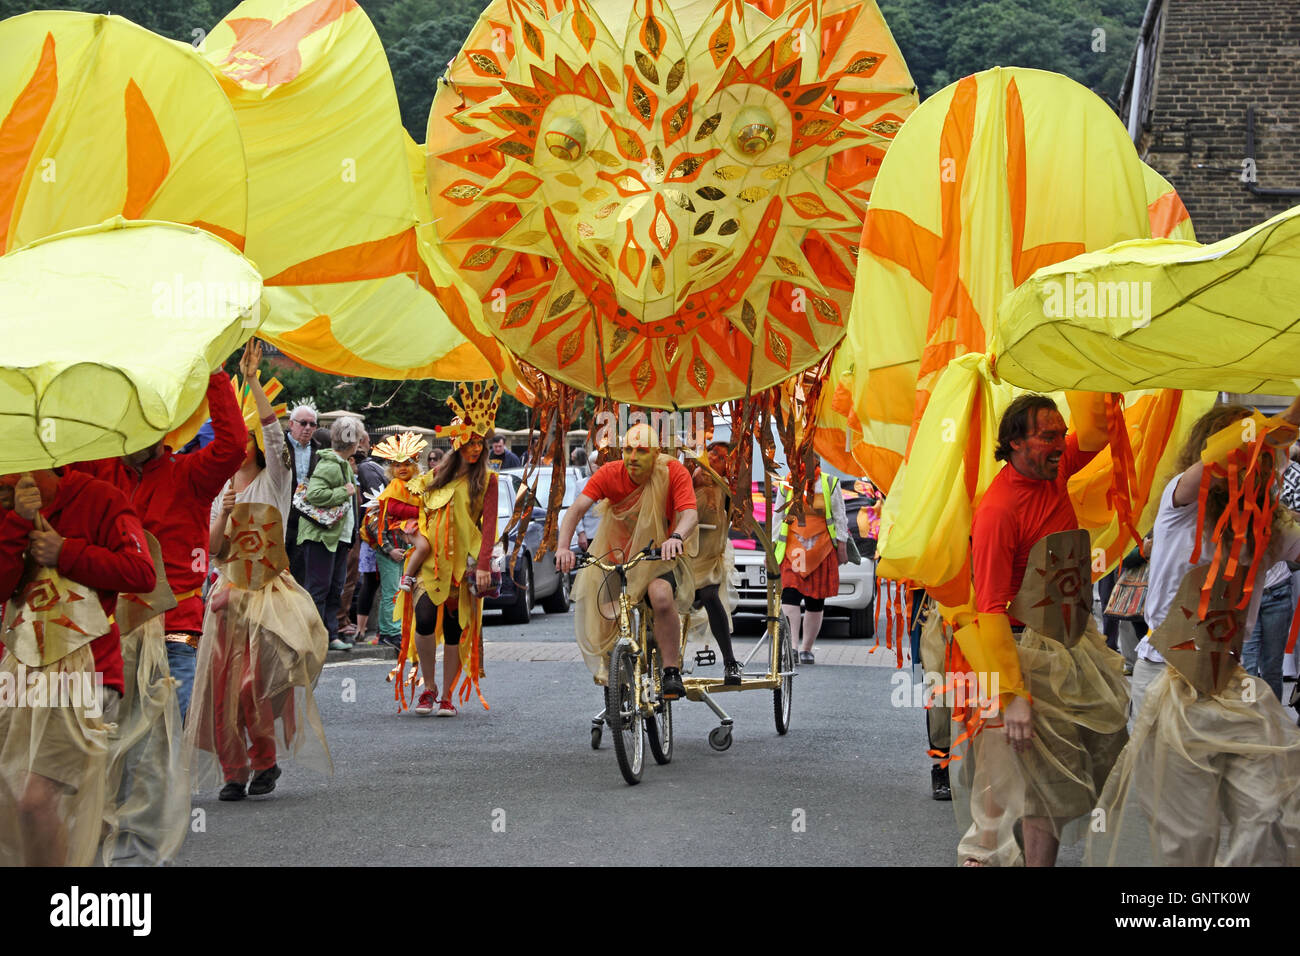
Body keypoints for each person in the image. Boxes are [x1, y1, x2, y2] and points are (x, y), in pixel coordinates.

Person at [1089, 401, 1300, 866]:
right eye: (1242, 450)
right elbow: (1221, 458)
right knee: (1186, 837)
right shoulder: (1180, 504)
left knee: (1273, 809)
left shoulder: (1267, 524)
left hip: (1231, 683)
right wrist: (1290, 416)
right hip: (1167, 679)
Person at [960, 393, 1129, 867]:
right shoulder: (998, 510)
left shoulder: (1053, 470)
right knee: (1029, 783)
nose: (1060, 445)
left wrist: (1088, 351)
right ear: (1015, 443)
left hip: (1067, 644)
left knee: (1053, 776)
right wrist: (1013, 695)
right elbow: (990, 607)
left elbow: (1096, 430)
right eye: (1048, 436)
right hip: (1019, 652)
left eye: (1060, 434)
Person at [186, 345, 332, 802]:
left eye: (241, 434)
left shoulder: (276, 479)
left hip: (270, 592)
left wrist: (250, 379)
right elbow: (214, 550)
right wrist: (221, 515)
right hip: (228, 598)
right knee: (221, 690)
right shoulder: (219, 490)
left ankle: (264, 760)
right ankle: (235, 772)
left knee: (254, 685)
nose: (235, 442)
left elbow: (274, 434)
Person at [0, 469, 156, 866]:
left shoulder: (100, 497)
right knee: (19, 804)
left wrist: (65, 551)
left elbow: (141, 573)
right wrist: (16, 523)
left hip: (88, 672)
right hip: (18, 673)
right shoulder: (6, 505)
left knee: (34, 800)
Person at [73, 369, 246, 720]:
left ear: (158, 430)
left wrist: (213, 373)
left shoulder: (189, 473)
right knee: (110, 743)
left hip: (175, 632)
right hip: (110, 631)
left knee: (170, 740)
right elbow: (58, 455)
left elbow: (232, 448)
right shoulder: (101, 471)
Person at [556, 423, 699, 700]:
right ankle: (614, 680)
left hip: (659, 556)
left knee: (660, 597)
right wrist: (563, 548)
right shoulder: (610, 473)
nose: (633, 457)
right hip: (616, 556)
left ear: (656, 454)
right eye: (628, 450)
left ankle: (671, 671)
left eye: (642, 451)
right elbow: (575, 511)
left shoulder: (672, 472)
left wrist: (676, 538)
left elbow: (690, 514)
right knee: (605, 610)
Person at [393, 384, 500, 717]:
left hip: (461, 567)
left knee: (454, 629)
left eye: (480, 442)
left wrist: (483, 565)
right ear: (458, 442)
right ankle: (428, 688)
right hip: (431, 564)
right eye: (469, 441)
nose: (474, 448)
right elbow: (414, 509)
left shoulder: (489, 480)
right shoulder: (435, 476)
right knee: (424, 620)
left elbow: (489, 527)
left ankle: (448, 695)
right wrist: (409, 531)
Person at [296, 416, 363, 651]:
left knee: (334, 588)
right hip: (321, 536)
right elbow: (315, 495)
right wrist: (343, 492)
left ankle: (329, 634)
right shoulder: (331, 464)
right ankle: (314, 637)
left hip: (335, 537)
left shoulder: (341, 463)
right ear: (354, 443)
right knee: (319, 588)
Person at [776, 464, 848, 665]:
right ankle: (792, 648)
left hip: (821, 548)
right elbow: (778, 516)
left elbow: (840, 516)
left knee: (815, 601)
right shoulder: (786, 483)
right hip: (793, 549)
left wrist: (841, 545)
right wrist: (772, 547)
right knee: (789, 596)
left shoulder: (829, 483)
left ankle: (807, 649)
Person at [366, 433, 427, 648]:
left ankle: (400, 630)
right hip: (391, 552)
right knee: (392, 591)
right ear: (391, 468)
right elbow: (378, 525)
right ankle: (389, 633)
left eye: (408, 463)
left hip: (410, 551)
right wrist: (389, 549)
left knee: (405, 592)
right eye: (397, 464)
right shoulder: (391, 492)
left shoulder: (418, 488)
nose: (403, 468)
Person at [688, 441, 741, 685]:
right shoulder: (690, 478)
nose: (711, 459)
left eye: (719, 457)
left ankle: (729, 661)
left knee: (709, 595)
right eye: (709, 454)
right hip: (684, 554)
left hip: (709, 556)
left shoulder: (727, 489)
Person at [351, 432, 388, 645]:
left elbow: (376, 497)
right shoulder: (372, 468)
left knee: (373, 583)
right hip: (375, 534)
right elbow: (378, 498)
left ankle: (365, 629)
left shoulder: (368, 468)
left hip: (374, 534)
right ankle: (367, 629)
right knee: (374, 583)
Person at [284, 400, 321, 586]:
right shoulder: (279, 446)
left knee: (298, 578)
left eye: (312, 424)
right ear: (291, 424)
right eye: (303, 423)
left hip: (305, 522)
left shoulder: (318, 450)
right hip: (280, 518)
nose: (307, 428)